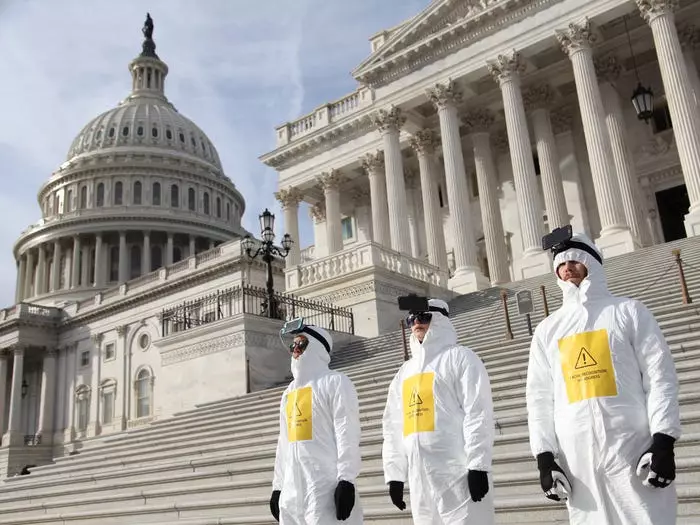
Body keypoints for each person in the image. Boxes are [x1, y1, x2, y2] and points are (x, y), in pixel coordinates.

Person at [526, 231, 681, 525]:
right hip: (578, 459)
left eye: (575, 259)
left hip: (631, 447)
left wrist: (663, 439)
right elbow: (539, 398)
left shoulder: (628, 312)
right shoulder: (548, 330)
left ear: (592, 262)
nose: (567, 266)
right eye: (561, 262)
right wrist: (545, 457)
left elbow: (659, 376)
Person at [382, 298, 495, 524]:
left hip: (457, 472)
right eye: (411, 319)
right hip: (419, 477)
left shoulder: (460, 357)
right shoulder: (405, 372)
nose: (416, 324)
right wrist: (394, 475)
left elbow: (478, 412)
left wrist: (478, 465)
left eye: (423, 317)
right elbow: (393, 425)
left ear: (440, 320)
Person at [269, 323, 363, 524]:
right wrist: (278, 487)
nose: (295, 349)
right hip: (292, 488)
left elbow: (347, 432)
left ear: (317, 347)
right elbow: (283, 442)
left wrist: (346, 479)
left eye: (301, 344)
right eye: (293, 345)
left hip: (324, 485)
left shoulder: (335, 382)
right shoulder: (289, 393)